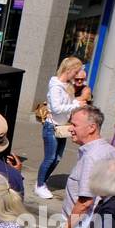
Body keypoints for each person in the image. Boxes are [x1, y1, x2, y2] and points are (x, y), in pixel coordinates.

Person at [34, 57, 91, 201]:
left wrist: (77, 101)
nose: (77, 76)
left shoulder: (67, 85)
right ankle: (40, 185)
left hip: (62, 127)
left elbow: (68, 103)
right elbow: (56, 108)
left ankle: (42, 181)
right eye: (76, 72)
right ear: (69, 70)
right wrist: (76, 105)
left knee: (57, 158)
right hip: (52, 126)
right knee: (50, 158)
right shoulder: (56, 87)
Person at [62, 105, 115, 228]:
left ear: (91, 128)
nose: (70, 129)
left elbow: (85, 202)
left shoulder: (91, 157)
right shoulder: (110, 150)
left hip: (83, 225)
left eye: (74, 125)